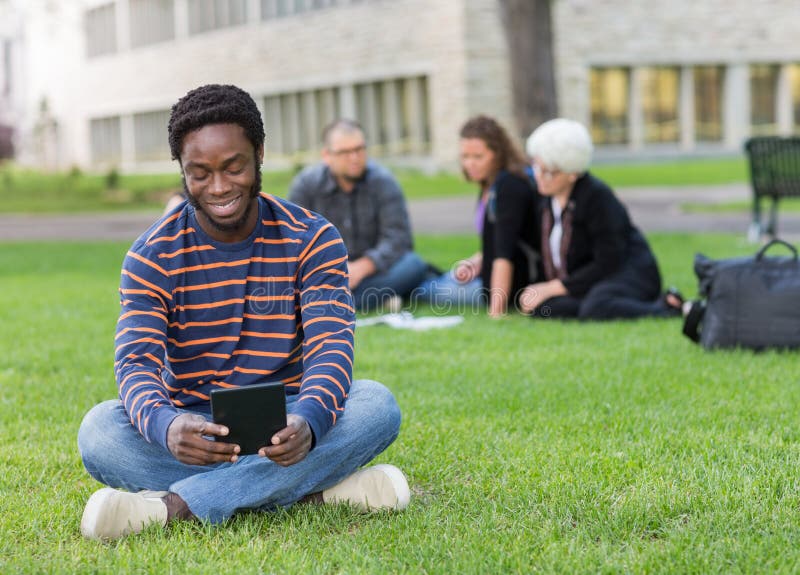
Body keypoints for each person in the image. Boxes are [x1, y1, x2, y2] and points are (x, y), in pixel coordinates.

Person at [77, 84, 410, 542]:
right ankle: (321, 492)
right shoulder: (151, 256)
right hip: (195, 431)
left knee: (377, 405)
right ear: (181, 170)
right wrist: (168, 425)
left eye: (233, 168)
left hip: (290, 422)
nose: (218, 187)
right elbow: (136, 362)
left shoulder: (312, 239)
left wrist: (310, 420)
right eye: (200, 173)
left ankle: (173, 508)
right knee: (99, 432)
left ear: (259, 155)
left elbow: (331, 346)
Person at [519, 118, 683, 319]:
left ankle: (666, 308)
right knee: (546, 308)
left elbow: (609, 260)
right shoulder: (545, 199)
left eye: (548, 172)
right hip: (587, 281)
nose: (539, 176)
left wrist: (554, 287)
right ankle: (591, 306)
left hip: (626, 273)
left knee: (596, 306)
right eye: (536, 167)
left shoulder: (598, 198)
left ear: (573, 173)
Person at [288, 119, 428, 312]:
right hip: (325, 275)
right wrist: (336, 270)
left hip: (373, 272)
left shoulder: (384, 182)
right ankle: (374, 299)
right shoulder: (306, 185)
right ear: (327, 156)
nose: (354, 157)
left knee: (413, 265)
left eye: (359, 149)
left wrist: (363, 267)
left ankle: (331, 304)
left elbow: (398, 239)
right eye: (345, 152)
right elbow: (295, 243)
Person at [415, 115, 539, 317]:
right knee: (443, 279)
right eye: (465, 156)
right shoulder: (489, 184)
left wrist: (496, 311)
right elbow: (494, 242)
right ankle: (411, 275)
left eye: (478, 157)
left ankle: (403, 283)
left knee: (426, 290)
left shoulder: (510, 187)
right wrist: (475, 263)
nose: (470, 163)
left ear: (497, 153)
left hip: (509, 286)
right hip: (484, 275)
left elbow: (504, 253)